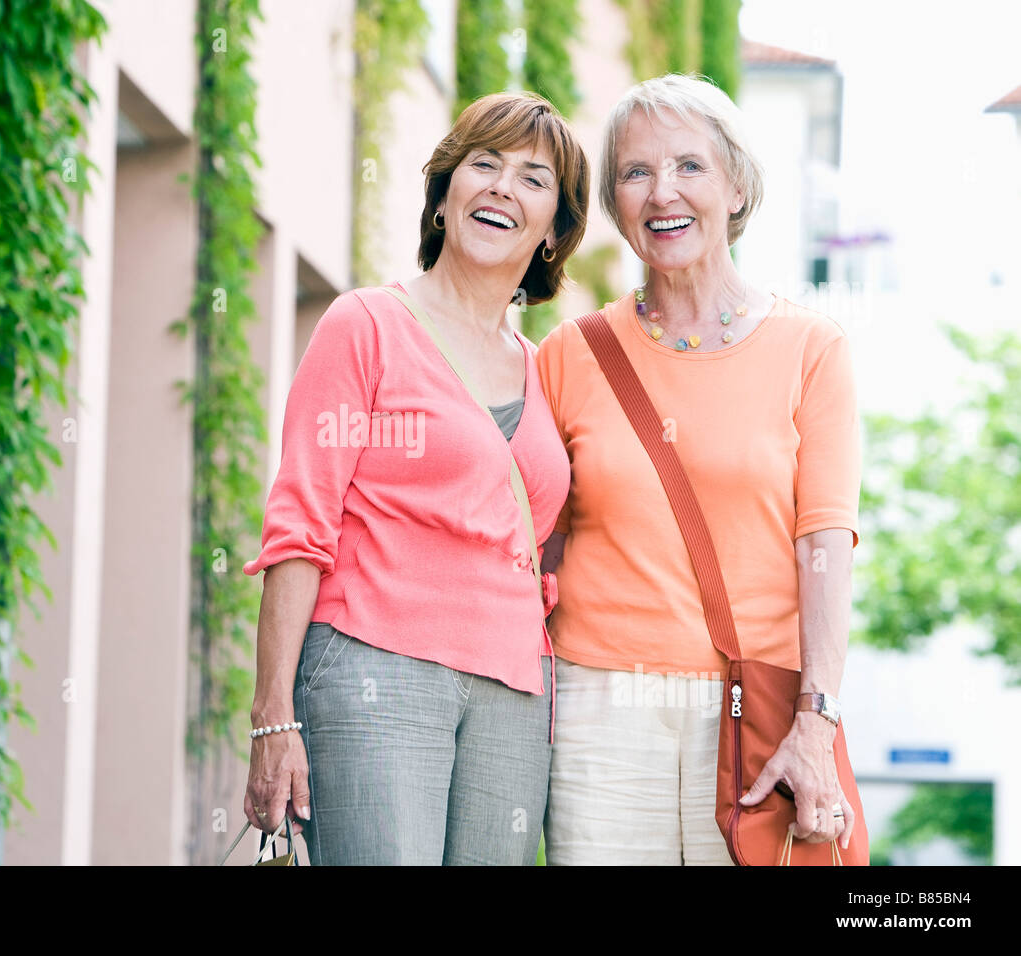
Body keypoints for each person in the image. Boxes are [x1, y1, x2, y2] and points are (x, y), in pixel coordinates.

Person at [241, 92, 589, 865]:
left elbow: (551, 542)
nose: (502, 186)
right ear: (445, 195)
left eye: (533, 179)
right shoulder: (366, 324)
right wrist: (272, 715)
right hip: (374, 667)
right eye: (484, 164)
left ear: (554, 231)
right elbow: (300, 522)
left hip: (514, 693)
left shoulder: (546, 370)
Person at [536, 74, 861, 865]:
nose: (662, 193)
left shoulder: (810, 351)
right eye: (635, 172)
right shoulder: (569, 356)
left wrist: (815, 720)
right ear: (615, 201)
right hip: (597, 715)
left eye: (689, 166)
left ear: (737, 186)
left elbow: (824, 547)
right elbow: (528, 548)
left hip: (758, 716)